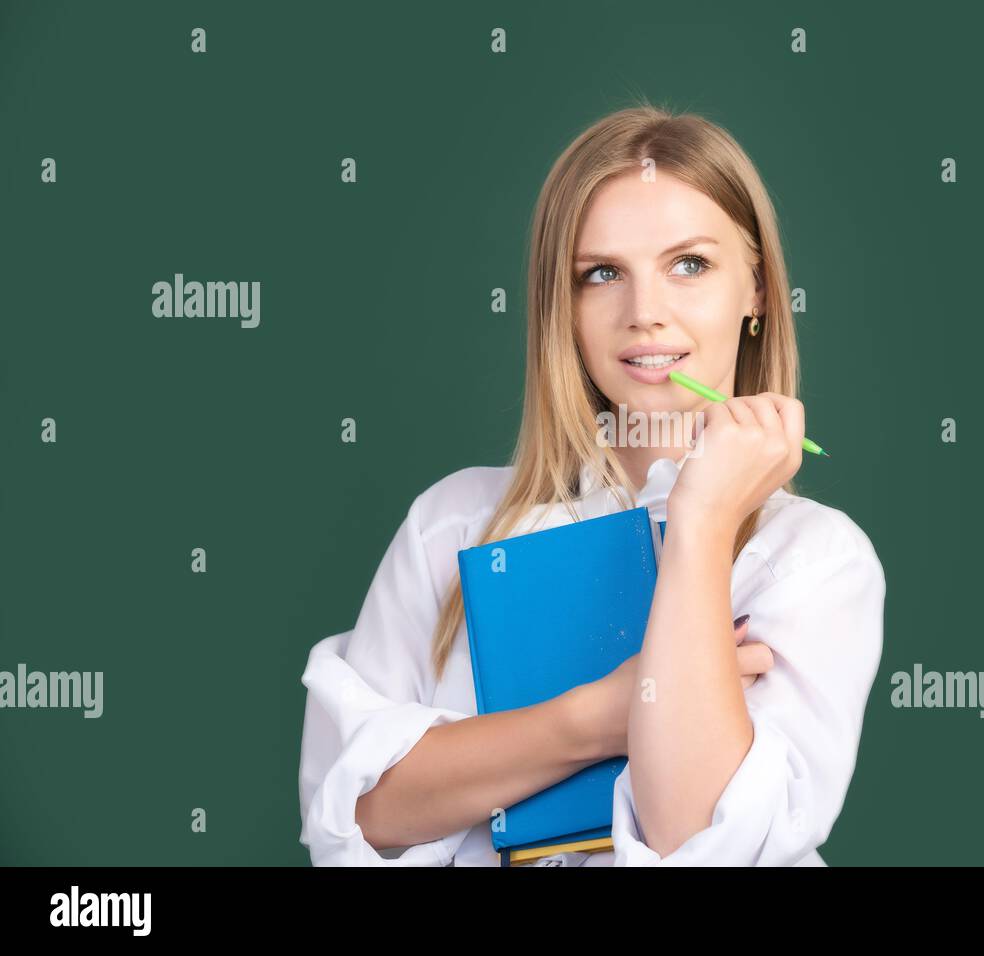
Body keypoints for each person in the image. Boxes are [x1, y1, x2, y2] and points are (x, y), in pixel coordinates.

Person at [297, 102, 886, 866]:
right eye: (602, 274)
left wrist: (703, 521)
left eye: (690, 265)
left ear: (759, 291)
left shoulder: (815, 560)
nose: (646, 314)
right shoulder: (451, 523)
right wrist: (598, 717)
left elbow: (699, 840)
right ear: (561, 307)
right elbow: (358, 819)